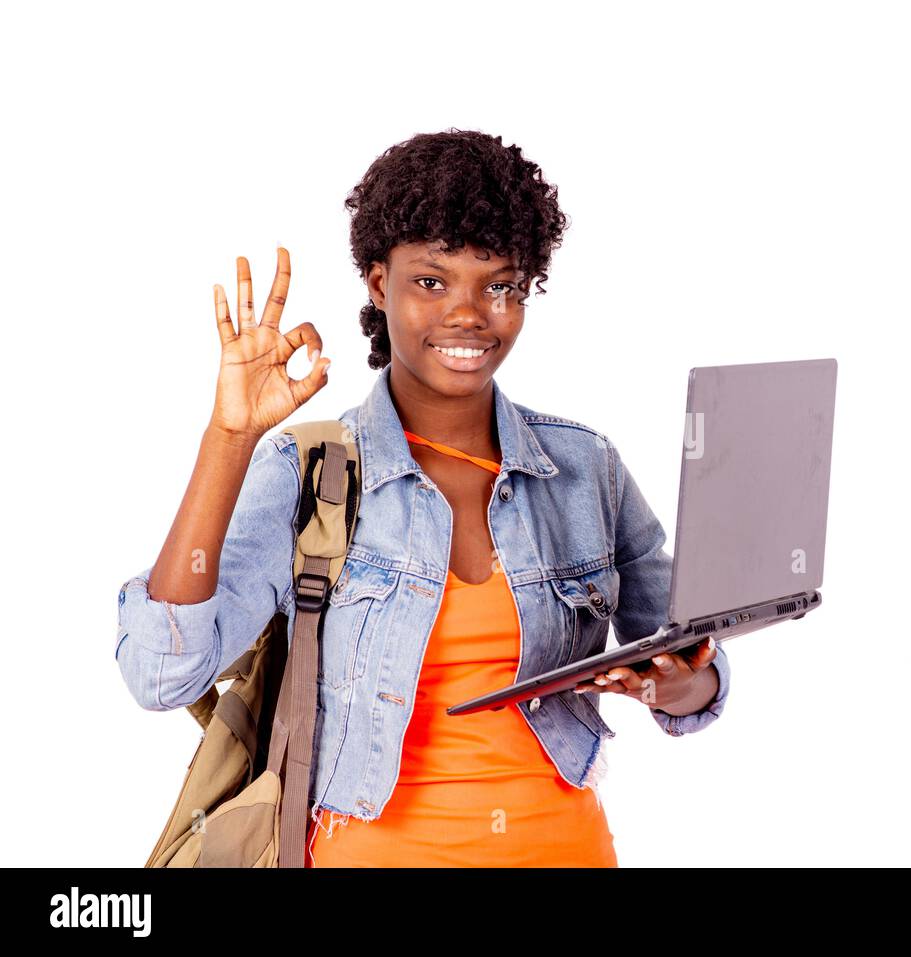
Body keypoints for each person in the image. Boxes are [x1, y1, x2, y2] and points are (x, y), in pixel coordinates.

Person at [115, 129, 732, 867]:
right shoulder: (312, 472)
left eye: (498, 284)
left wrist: (679, 685)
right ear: (379, 284)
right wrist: (230, 435)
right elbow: (161, 674)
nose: (469, 313)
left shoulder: (584, 467)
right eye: (432, 282)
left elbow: (691, 671)